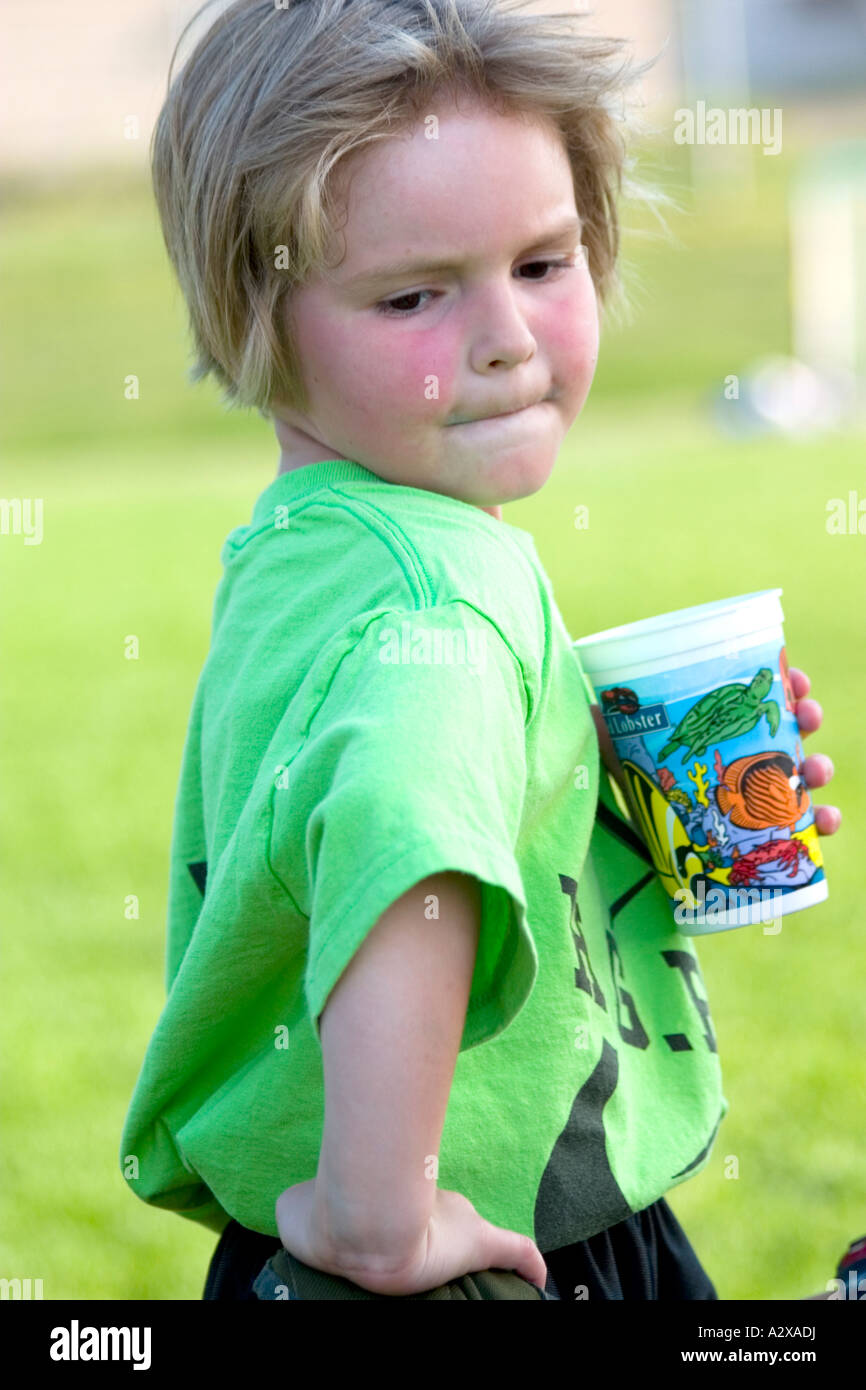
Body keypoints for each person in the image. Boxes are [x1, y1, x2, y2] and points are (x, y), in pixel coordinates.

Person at [119, 0, 841, 1301]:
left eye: (544, 264)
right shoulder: (444, 596)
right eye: (412, 293)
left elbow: (347, 803)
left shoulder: (314, 543)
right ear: (256, 312)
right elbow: (405, 834)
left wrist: (579, 757)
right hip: (473, 1252)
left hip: (310, 1252)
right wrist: (382, 1217)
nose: (505, 335)